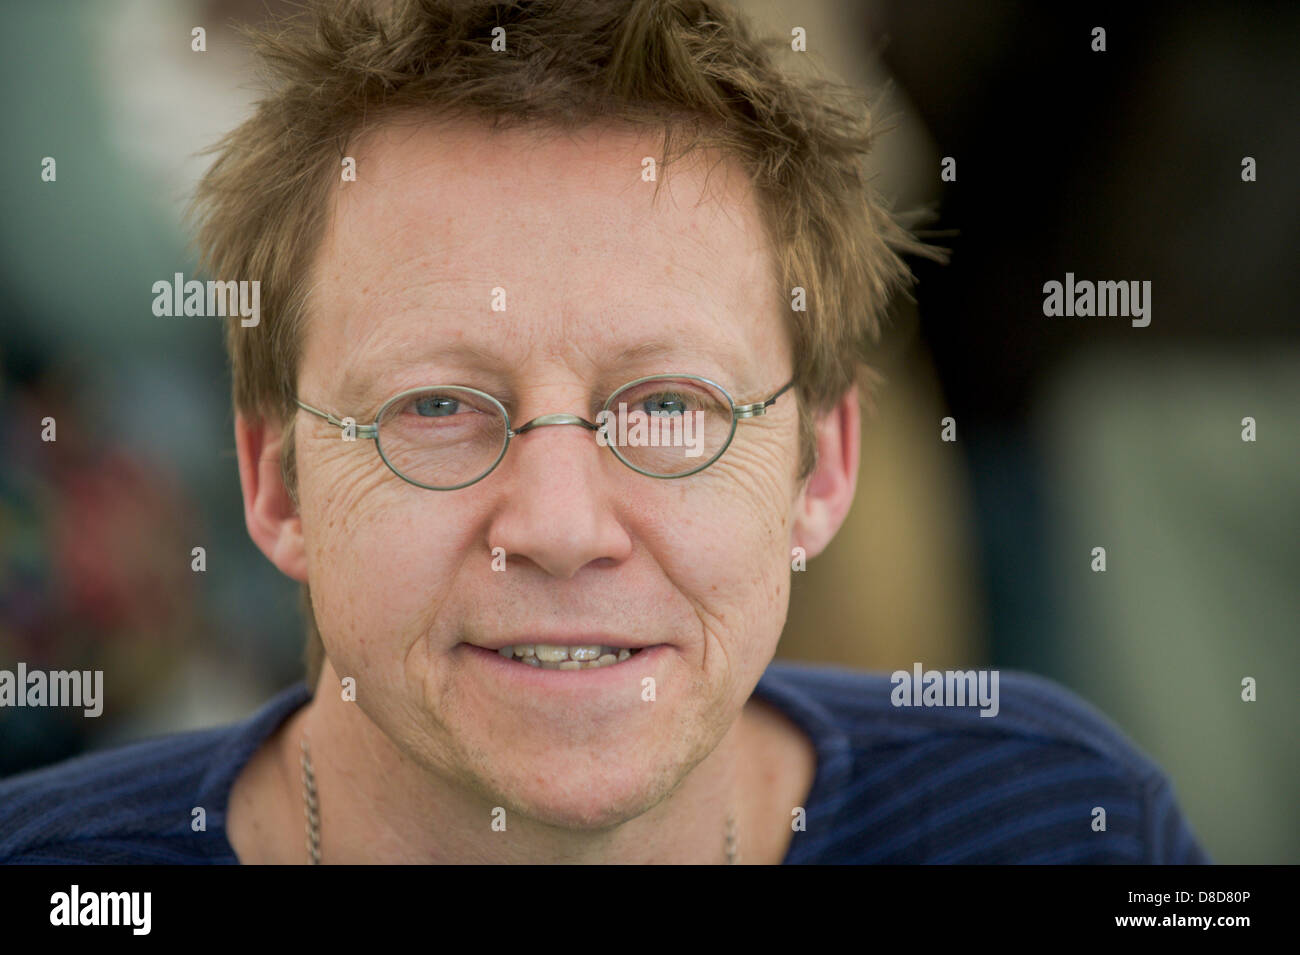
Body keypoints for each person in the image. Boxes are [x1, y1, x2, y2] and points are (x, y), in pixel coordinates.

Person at [0, 0, 1208, 864]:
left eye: (669, 406)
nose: (561, 527)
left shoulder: (1061, 816)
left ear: (820, 467)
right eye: (435, 408)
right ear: (274, 482)